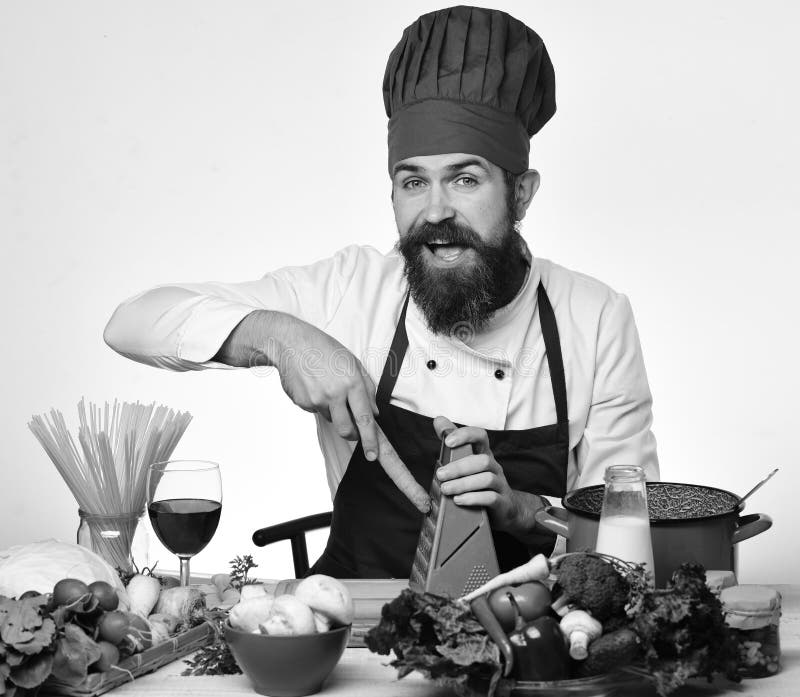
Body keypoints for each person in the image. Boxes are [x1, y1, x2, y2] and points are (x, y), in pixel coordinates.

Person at [104, 6, 658, 579]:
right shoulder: (351, 289)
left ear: (522, 194)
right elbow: (132, 322)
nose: (436, 211)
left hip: (529, 633)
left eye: (465, 180)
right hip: (352, 629)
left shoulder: (594, 317)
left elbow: (625, 542)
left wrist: (522, 510)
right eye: (414, 182)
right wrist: (277, 336)